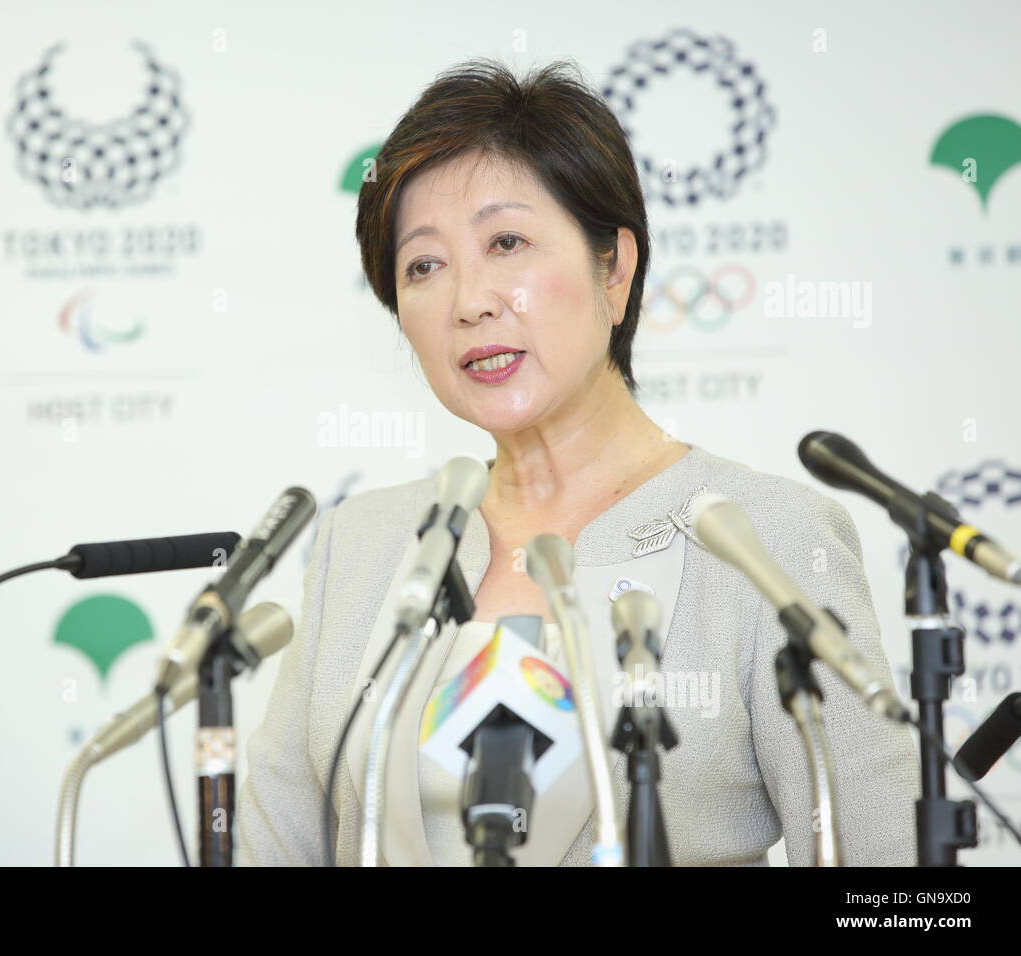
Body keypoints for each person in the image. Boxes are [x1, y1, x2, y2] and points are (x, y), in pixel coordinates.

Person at [237, 58, 917, 866]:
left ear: (615, 268)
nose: (470, 300)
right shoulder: (362, 545)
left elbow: (891, 884)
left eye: (507, 242)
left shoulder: (762, 539)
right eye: (425, 264)